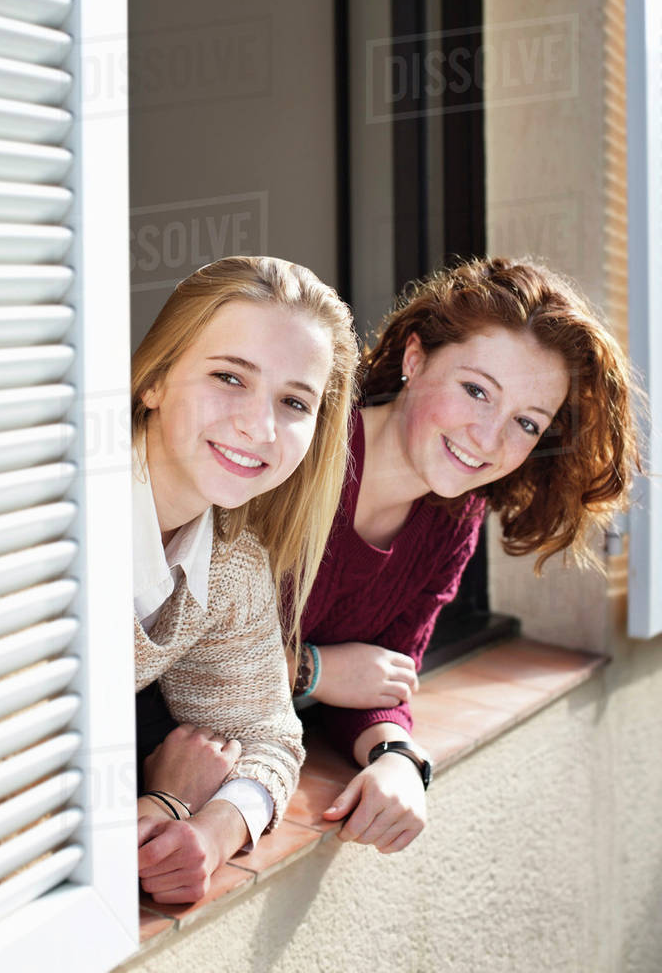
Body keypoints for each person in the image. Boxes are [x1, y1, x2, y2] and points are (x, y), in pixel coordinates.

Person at [285, 256, 639, 857]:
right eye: (476, 391)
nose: (490, 439)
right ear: (415, 360)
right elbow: (190, 645)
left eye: (526, 423)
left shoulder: (454, 518)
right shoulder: (297, 453)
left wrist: (396, 759)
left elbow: (382, 679)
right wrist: (313, 671)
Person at [132, 255, 358, 904]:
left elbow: (265, 734)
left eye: (294, 402)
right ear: (154, 379)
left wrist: (214, 829)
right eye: (229, 377)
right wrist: (167, 800)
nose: (259, 427)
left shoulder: (230, 556)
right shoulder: (51, 523)